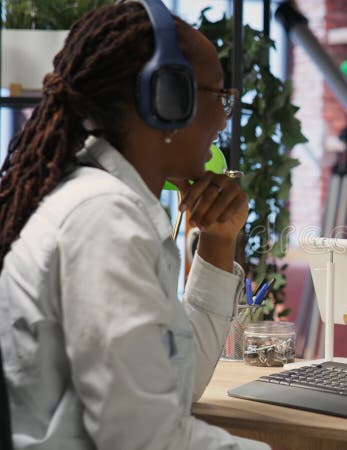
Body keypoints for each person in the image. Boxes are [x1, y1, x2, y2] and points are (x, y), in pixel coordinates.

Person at [0, 2, 270, 449]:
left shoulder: (106, 205)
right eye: (217, 96)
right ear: (165, 99)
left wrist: (218, 244)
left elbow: (173, 389)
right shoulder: (103, 222)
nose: (225, 119)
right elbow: (146, 439)